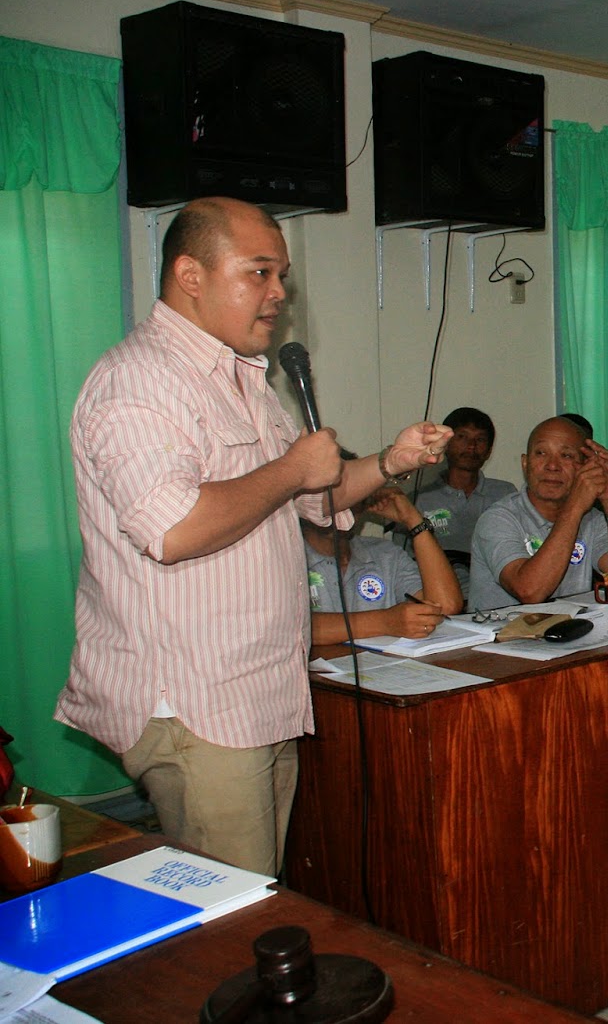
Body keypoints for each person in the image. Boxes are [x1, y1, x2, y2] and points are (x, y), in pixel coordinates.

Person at [55, 197, 451, 876]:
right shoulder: (139, 382)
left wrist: (389, 461)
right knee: (226, 919)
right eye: (260, 273)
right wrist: (293, 467)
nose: (279, 295)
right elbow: (173, 527)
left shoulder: (243, 380)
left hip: (258, 688)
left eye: (282, 277)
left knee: (258, 892)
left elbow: (309, 495)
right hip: (196, 701)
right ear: (190, 275)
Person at [469, 417, 608, 610]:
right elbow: (529, 591)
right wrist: (575, 507)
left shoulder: (592, 519)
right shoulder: (498, 518)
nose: (552, 466)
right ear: (525, 463)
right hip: (501, 636)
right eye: (541, 453)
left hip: (570, 632)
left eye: (566, 456)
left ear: (584, 467)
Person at [307, 486, 463, 645]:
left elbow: (444, 607)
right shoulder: (287, 558)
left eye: (348, 501)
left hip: (384, 666)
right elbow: (292, 629)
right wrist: (384, 622)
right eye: (328, 501)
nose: (337, 510)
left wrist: (414, 521)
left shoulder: (385, 554)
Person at [400, 406, 516, 587]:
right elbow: (405, 562)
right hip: (438, 594)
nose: (471, 446)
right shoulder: (419, 497)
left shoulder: (505, 494)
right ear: (445, 444)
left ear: (489, 450)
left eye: (480, 439)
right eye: (462, 437)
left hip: (495, 596)